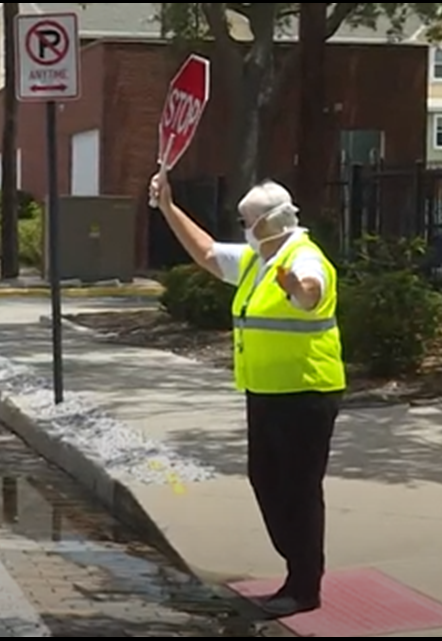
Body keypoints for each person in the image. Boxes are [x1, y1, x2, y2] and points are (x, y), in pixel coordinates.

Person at [149, 168, 345, 618]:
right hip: (265, 392)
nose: (242, 229)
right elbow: (207, 254)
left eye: (245, 221)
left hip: (306, 393)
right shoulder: (260, 261)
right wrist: (169, 208)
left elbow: (311, 290)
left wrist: (299, 289)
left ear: (269, 223)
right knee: (266, 481)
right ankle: (297, 567)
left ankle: (303, 585)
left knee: (298, 490)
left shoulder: (302, 258)